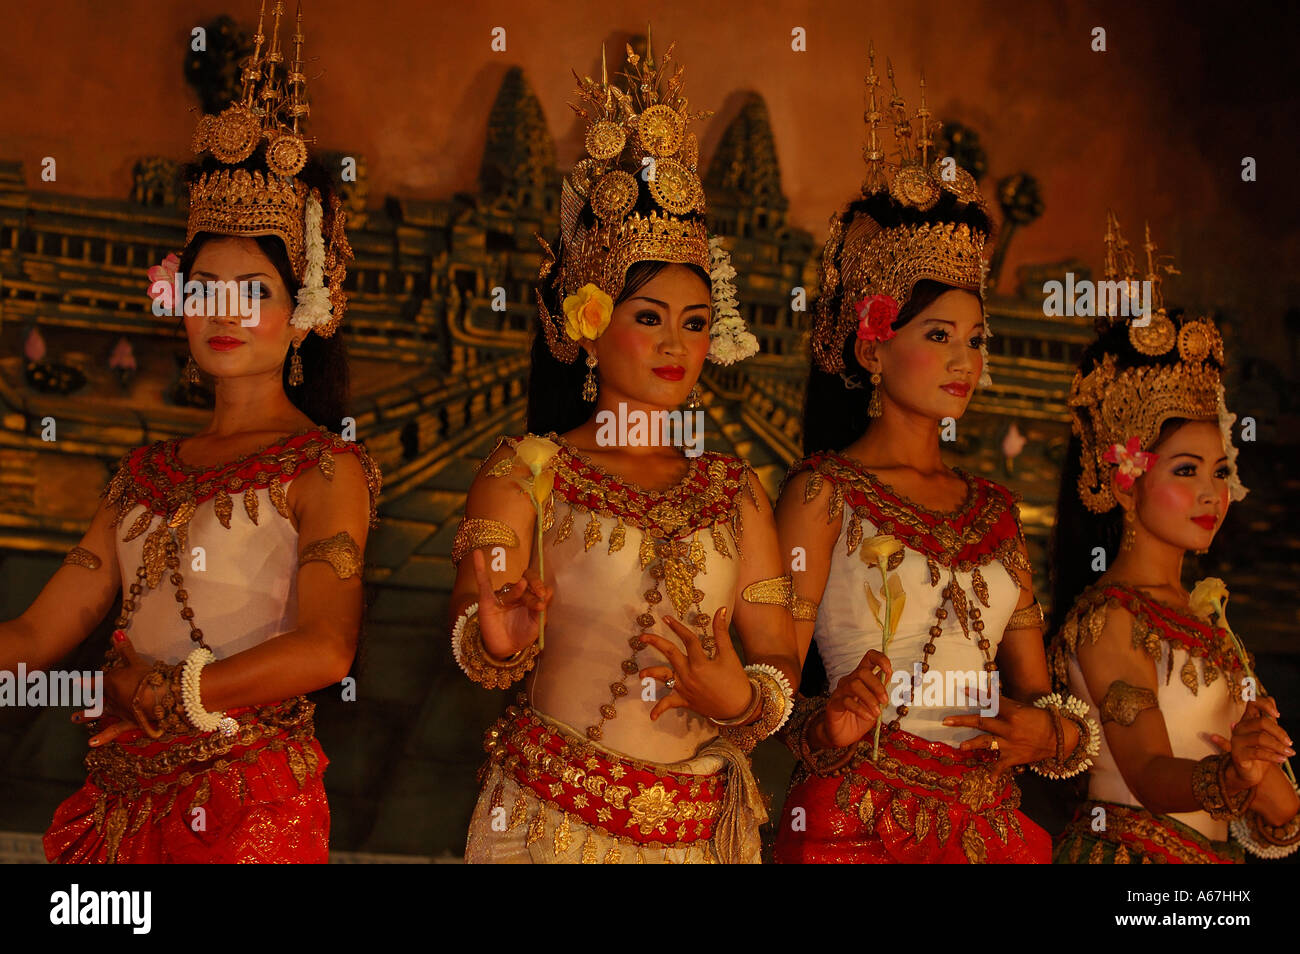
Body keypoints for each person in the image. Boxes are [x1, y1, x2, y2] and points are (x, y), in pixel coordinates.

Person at [2, 1, 381, 863]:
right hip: (120, 801)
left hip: (251, 804)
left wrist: (166, 689)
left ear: (304, 312)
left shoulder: (325, 468)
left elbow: (325, 646)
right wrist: (117, 686)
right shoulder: (143, 474)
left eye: (253, 292)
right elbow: (33, 638)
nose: (223, 312)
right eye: (204, 286)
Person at [449, 37, 799, 864]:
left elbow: (780, 652)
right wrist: (499, 634)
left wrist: (744, 692)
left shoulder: (735, 489)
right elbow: (479, 619)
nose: (676, 343)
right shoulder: (526, 471)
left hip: (697, 838)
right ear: (588, 324)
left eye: (695, 321)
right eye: (649, 317)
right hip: (549, 827)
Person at [771, 50, 1099, 864]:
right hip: (858, 817)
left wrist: (1049, 732)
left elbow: (1038, 696)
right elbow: (770, 692)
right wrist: (829, 718)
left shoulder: (992, 512)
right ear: (874, 349)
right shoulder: (824, 492)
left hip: (987, 826)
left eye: (976, 339)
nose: (966, 361)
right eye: (939, 336)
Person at [1047, 213, 1299, 863]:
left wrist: (1260, 762)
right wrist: (1235, 775)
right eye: (1185, 471)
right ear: (1123, 479)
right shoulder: (1108, 619)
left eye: (1219, 471)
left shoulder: (1208, 621)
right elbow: (1150, 772)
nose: (1212, 493)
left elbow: (1280, 809)